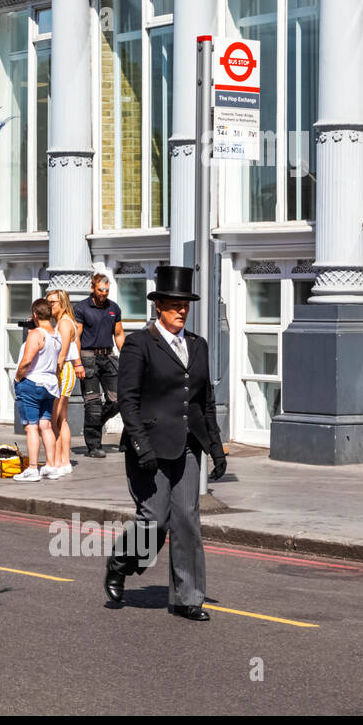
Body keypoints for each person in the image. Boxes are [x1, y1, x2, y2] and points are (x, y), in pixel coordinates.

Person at [103, 265, 227, 622]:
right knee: (153, 521)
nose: (181, 310)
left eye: (185, 304)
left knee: (187, 518)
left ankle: (188, 598)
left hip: (189, 445)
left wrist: (216, 449)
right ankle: (121, 561)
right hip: (151, 446)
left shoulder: (198, 345)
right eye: (174, 304)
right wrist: (140, 446)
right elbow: (128, 399)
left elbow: (205, 401)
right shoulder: (140, 343)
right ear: (159, 306)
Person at [73, 273, 125, 458]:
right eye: (100, 290)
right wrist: (77, 362)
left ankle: (96, 422)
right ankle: (94, 446)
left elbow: (118, 334)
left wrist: (126, 357)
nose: (104, 293)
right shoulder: (81, 308)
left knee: (119, 399)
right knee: (93, 404)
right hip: (87, 358)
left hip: (109, 356)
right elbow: (76, 337)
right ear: (92, 288)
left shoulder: (114, 308)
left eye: (107, 290)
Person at [11, 297, 63, 483]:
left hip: (32, 383)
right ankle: (51, 466)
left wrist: (18, 378)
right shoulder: (57, 336)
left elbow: (26, 361)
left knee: (31, 427)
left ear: (34, 314)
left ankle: (33, 469)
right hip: (50, 385)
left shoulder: (36, 334)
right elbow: (58, 363)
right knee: (46, 425)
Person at [46, 289, 85, 477]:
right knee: (61, 419)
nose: (49, 306)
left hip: (62, 371)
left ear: (62, 302)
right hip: (67, 370)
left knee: (55, 418)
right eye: (48, 302)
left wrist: (52, 373)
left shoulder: (63, 323)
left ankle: (60, 462)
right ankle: (64, 461)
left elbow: (61, 355)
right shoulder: (68, 321)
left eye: (52, 302)